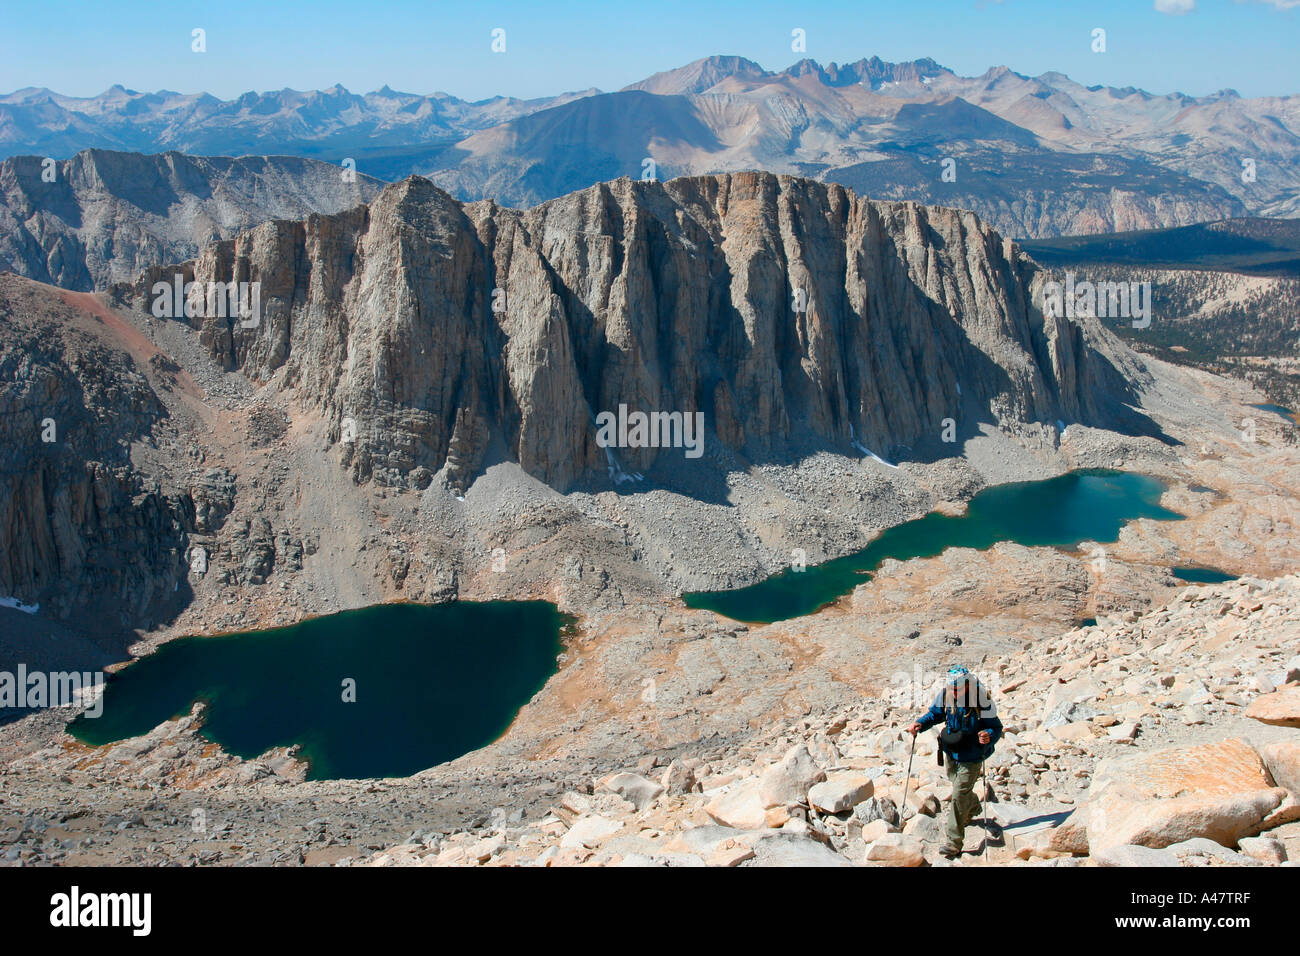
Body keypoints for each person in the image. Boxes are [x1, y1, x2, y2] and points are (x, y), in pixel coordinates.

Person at [907, 665, 1003, 859]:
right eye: (952, 687)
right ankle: (974, 806)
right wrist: (921, 723)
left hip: (973, 755)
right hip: (952, 752)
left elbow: (996, 726)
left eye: (957, 687)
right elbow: (935, 714)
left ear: (968, 684)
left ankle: (953, 842)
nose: (954, 690)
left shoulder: (981, 700)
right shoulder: (946, 695)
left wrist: (988, 736)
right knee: (957, 784)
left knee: (958, 794)